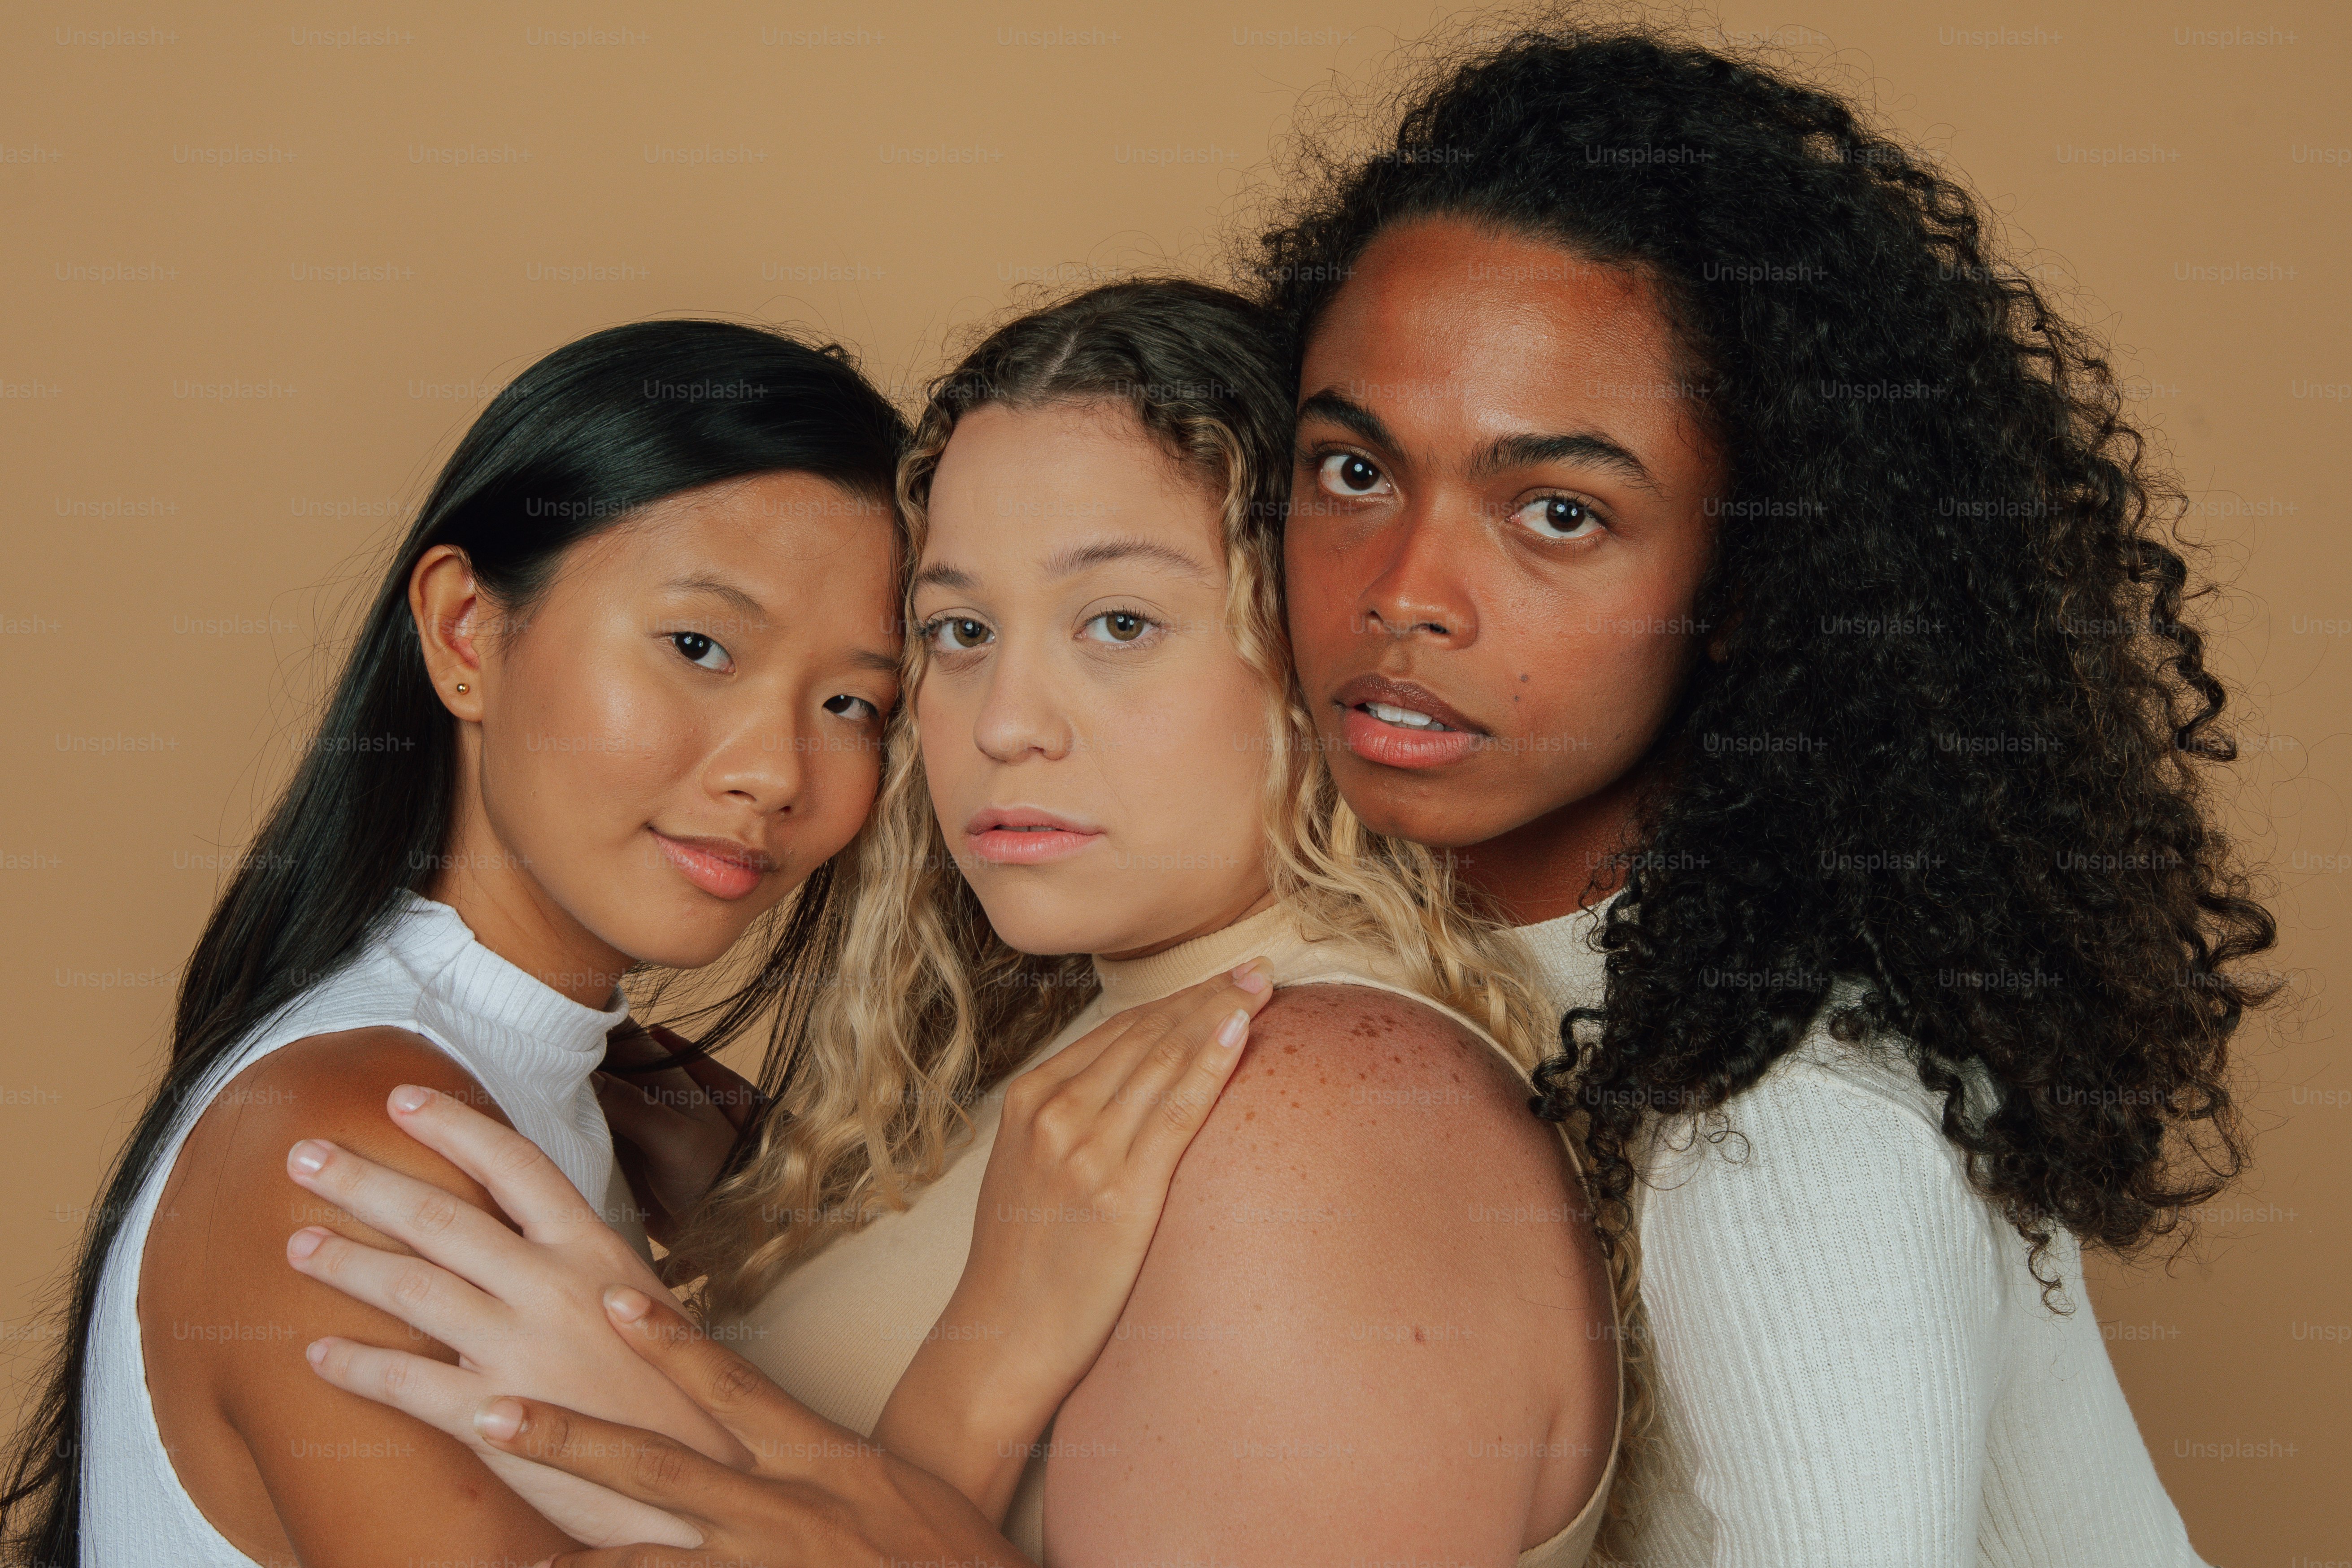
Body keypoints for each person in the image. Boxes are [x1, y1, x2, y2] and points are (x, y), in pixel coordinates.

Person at [283, 279, 1626, 1566]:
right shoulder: (1116, 1040)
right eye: (960, 629)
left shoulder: (1313, 1118)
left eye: (1118, 620)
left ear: (1308, 633)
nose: (1001, 723)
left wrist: (886, 1401)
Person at [0, 319, 1275, 1567]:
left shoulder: (557, 1094)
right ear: (465, 633)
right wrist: (993, 1348)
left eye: (852, 704)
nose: (775, 770)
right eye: (699, 647)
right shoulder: (351, 1149)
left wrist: (780, 1215)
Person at [1252, 20, 2275, 1566]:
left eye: (1556, 510)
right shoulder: (1393, 962)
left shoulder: (1787, 1137)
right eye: (1353, 469)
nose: (1407, 591)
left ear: (1744, 580)